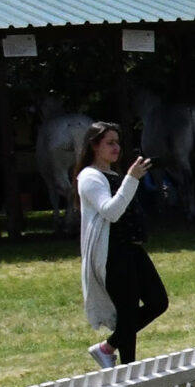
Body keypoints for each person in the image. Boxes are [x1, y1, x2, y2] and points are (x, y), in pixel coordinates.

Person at [75, 121, 164, 369]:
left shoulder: (113, 175)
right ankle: (128, 369)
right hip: (112, 253)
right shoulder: (89, 177)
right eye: (109, 143)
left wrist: (130, 179)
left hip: (131, 248)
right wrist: (131, 179)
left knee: (158, 302)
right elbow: (110, 212)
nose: (116, 147)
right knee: (126, 311)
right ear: (94, 146)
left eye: (117, 142)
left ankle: (108, 348)